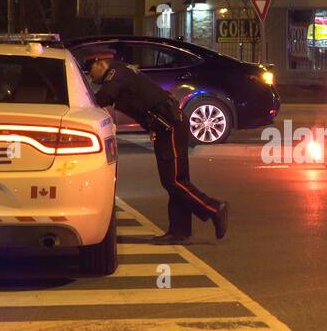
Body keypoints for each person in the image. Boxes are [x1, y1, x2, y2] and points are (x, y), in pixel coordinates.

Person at [86, 50, 228, 244]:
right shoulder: (121, 72)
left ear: (100, 63)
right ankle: (179, 231)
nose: (89, 75)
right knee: (177, 180)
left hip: (170, 126)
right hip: (166, 126)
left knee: (173, 181)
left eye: (89, 69)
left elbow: (104, 97)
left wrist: (84, 103)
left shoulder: (116, 74)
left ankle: (214, 209)